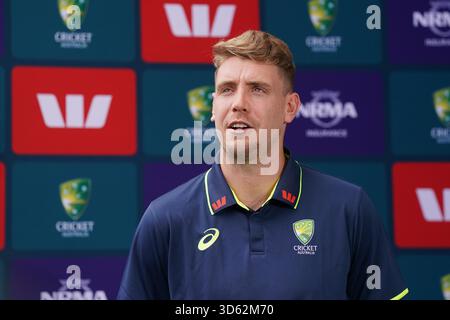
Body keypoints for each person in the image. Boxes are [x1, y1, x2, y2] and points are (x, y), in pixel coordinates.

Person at [117, 30, 408, 300]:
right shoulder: (165, 219)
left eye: (257, 89)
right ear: (214, 106)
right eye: (227, 89)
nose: (238, 103)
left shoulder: (348, 209)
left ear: (290, 107)